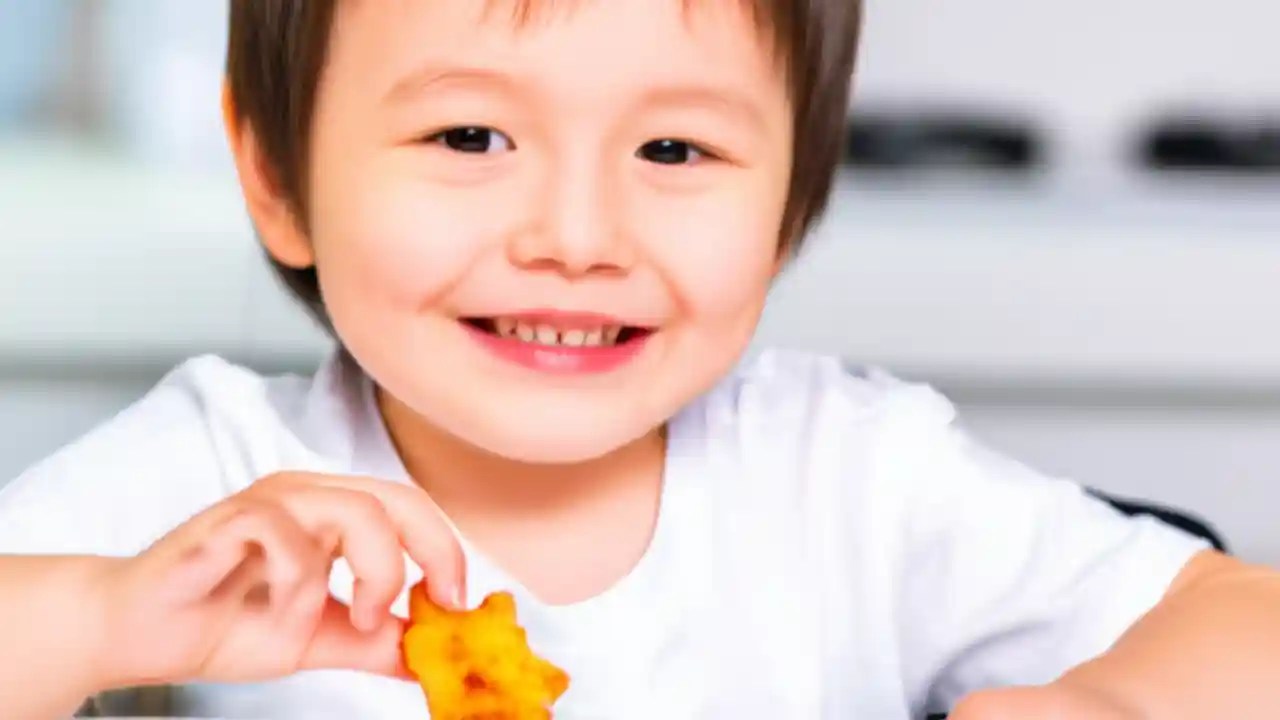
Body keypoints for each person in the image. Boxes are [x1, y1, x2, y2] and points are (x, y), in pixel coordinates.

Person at [1, 2, 1275, 718]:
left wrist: (1107, 708)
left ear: (787, 202)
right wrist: (97, 619)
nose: (576, 238)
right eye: (468, 134)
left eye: (673, 153)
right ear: (276, 173)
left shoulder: (853, 479)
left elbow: (1244, 626)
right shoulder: (220, 481)